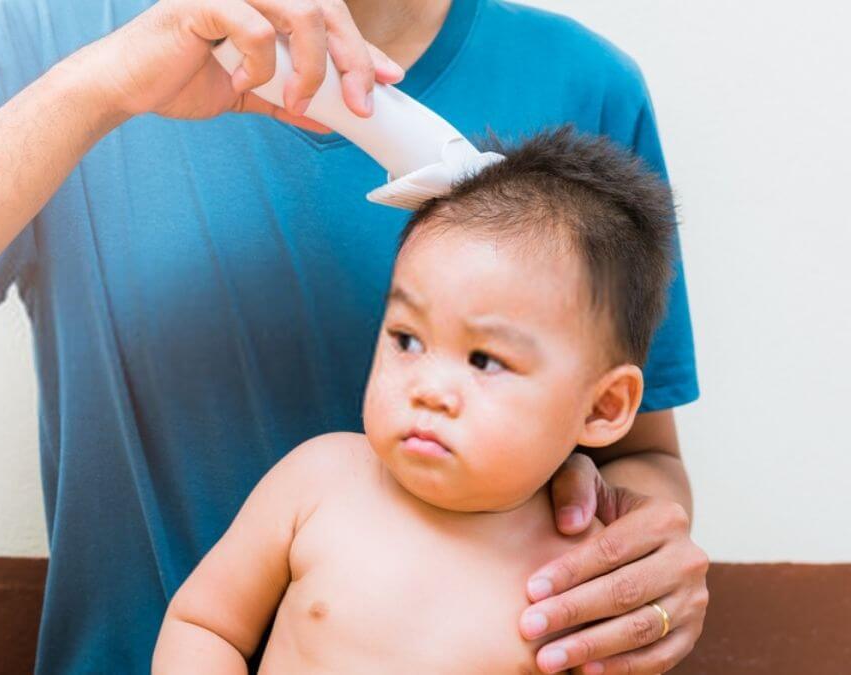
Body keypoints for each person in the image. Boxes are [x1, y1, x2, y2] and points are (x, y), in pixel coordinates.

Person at [0, 1, 709, 672]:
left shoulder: (586, 88)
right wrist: (98, 90)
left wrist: (645, 567)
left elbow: (641, 460)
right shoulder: (57, 30)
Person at [154, 127, 678, 673]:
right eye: (407, 340)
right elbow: (204, 625)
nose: (428, 389)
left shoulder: (584, 582)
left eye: (484, 360)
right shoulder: (318, 481)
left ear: (603, 407)